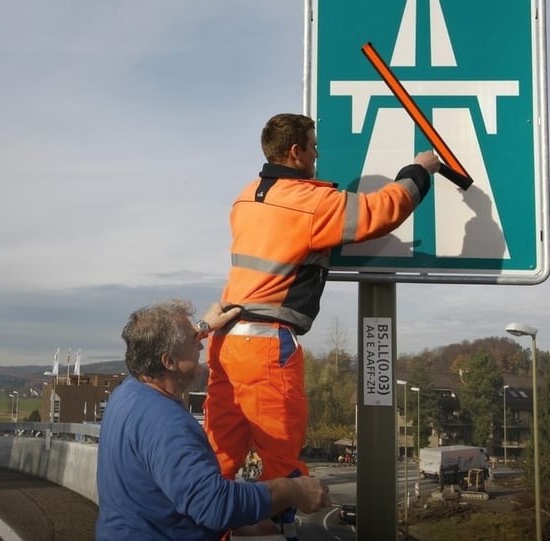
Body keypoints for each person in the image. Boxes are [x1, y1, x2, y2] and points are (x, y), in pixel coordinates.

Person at [204, 113, 441, 538]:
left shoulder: (247, 198)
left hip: (226, 342)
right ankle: (275, 531)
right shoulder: (307, 203)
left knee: (218, 459)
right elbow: (379, 211)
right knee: (282, 466)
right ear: (295, 152)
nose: (318, 155)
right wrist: (420, 170)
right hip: (265, 347)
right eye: (313, 147)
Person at [96, 299, 331, 541]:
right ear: (168, 361)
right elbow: (213, 505)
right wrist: (292, 490)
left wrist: (201, 326)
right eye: (193, 341)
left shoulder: (129, 391)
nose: (200, 346)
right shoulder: (167, 424)